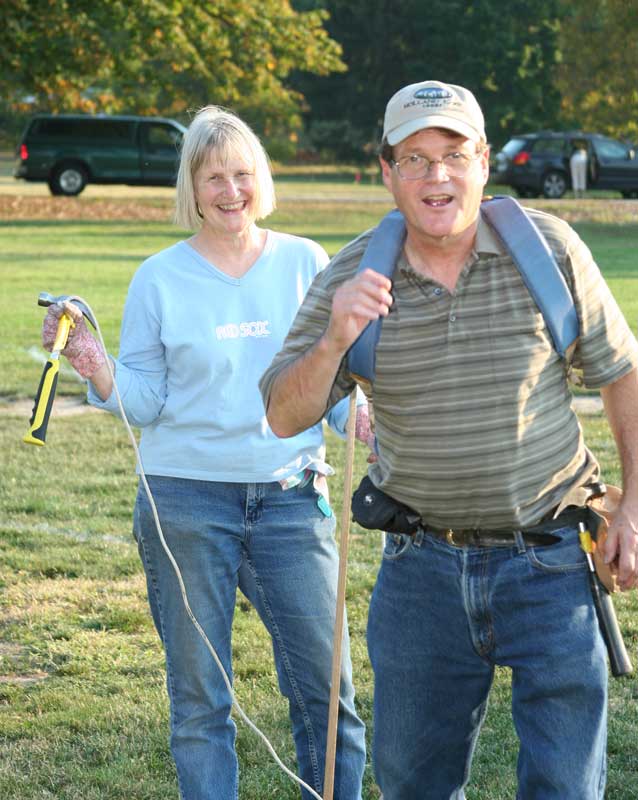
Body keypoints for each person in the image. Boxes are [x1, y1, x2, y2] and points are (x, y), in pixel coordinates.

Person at [259, 81, 638, 799]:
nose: (438, 176)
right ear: (386, 171)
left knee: (565, 786)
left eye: (453, 155)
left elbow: (623, 373)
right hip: (420, 573)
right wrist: (337, 335)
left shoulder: (547, 250)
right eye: (415, 159)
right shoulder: (351, 275)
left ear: (484, 162)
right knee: (414, 786)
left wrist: (633, 508)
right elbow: (283, 413)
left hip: (554, 562)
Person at [41, 106, 369, 800]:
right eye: (213, 176)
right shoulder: (159, 278)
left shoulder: (308, 261)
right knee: (200, 705)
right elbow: (147, 400)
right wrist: (97, 368)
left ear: (262, 179)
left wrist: (360, 414)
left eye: (242, 174)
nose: (230, 191)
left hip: (291, 499)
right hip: (183, 504)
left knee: (329, 695)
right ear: (191, 187)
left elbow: (331, 387)